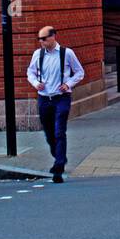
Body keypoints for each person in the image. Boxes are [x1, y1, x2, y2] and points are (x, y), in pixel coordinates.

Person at [26, 26, 85, 182]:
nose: (41, 42)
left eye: (44, 38)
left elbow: (79, 72)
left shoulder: (67, 53)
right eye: (39, 39)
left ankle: (58, 167)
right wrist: (35, 83)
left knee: (59, 131)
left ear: (53, 37)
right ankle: (59, 155)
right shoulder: (37, 54)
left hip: (61, 98)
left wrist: (68, 84)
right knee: (49, 133)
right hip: (44, 98)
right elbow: (30, 72)